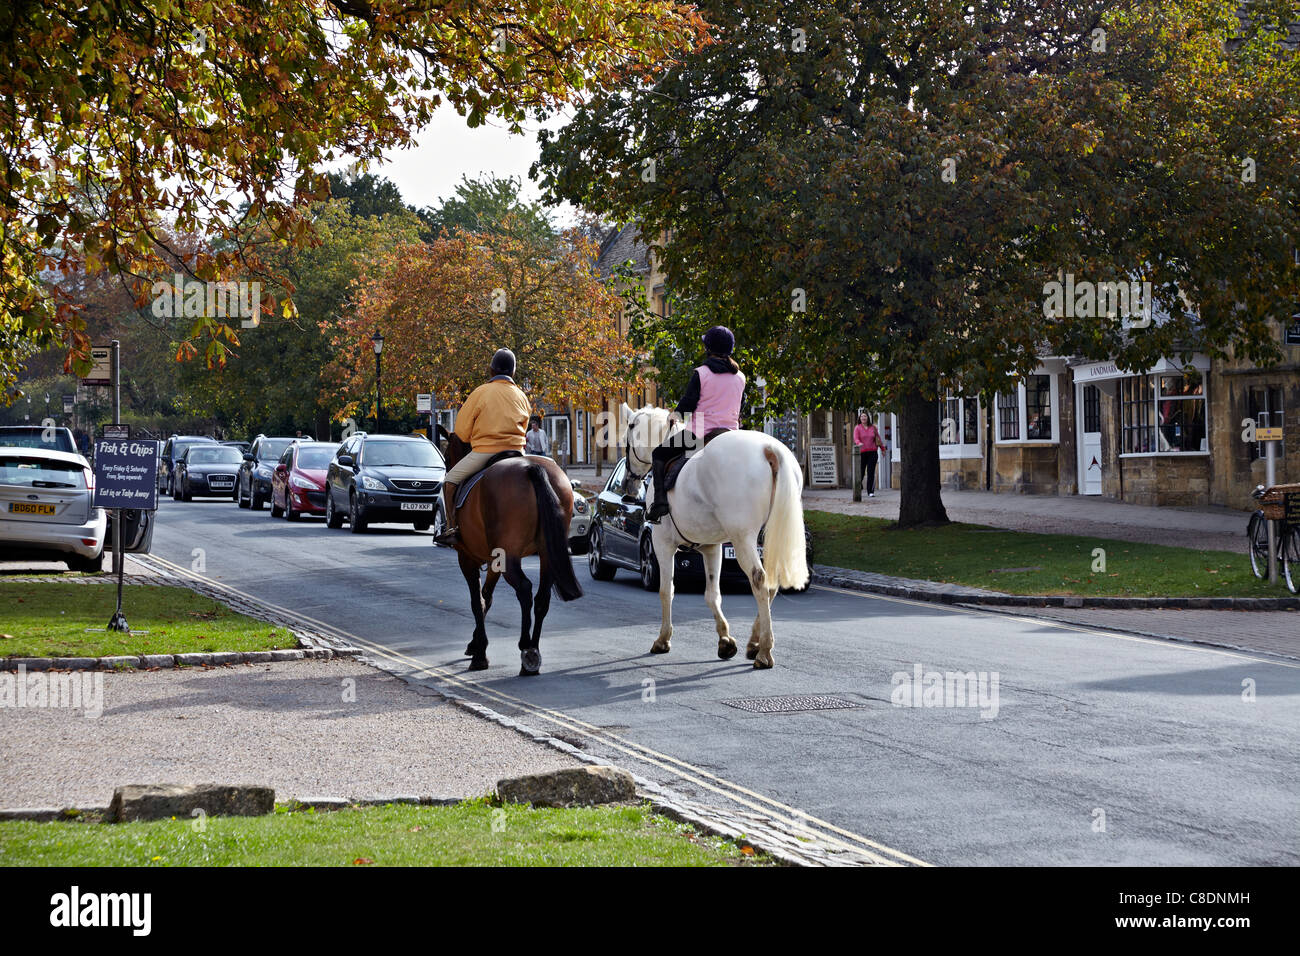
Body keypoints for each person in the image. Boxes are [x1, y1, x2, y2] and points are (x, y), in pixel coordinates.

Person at [647, 325, 746, 521]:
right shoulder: (740, 377)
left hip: (700, 431)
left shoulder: (701, 373)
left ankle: (659, 503)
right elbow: (741, 405)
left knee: (658, 453)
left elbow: (689, 402)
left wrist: (675, 414)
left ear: (708, 348)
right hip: (731, 434)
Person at [434, 348, 532, 545]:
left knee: (449, 481)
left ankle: (452, 528)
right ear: (513, 372)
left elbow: (461, 432)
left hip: (486, 452)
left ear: (491, 371)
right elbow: (525, 426)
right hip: (518, 454)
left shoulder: (480, 393)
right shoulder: (522, 396)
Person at [853, 412, 885, 497]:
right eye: (862, 416)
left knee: (871, 472)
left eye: (865, 416)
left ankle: (870, 491)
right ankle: (858, 485)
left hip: (872, 452)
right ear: (859, 418)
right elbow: (856, 438)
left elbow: (878, 438)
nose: (863, 417)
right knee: (861, 472)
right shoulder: (857, 428)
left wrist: (882, 449)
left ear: (868, 418)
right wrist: (859, 443)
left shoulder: (873, 427)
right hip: (862, 453)